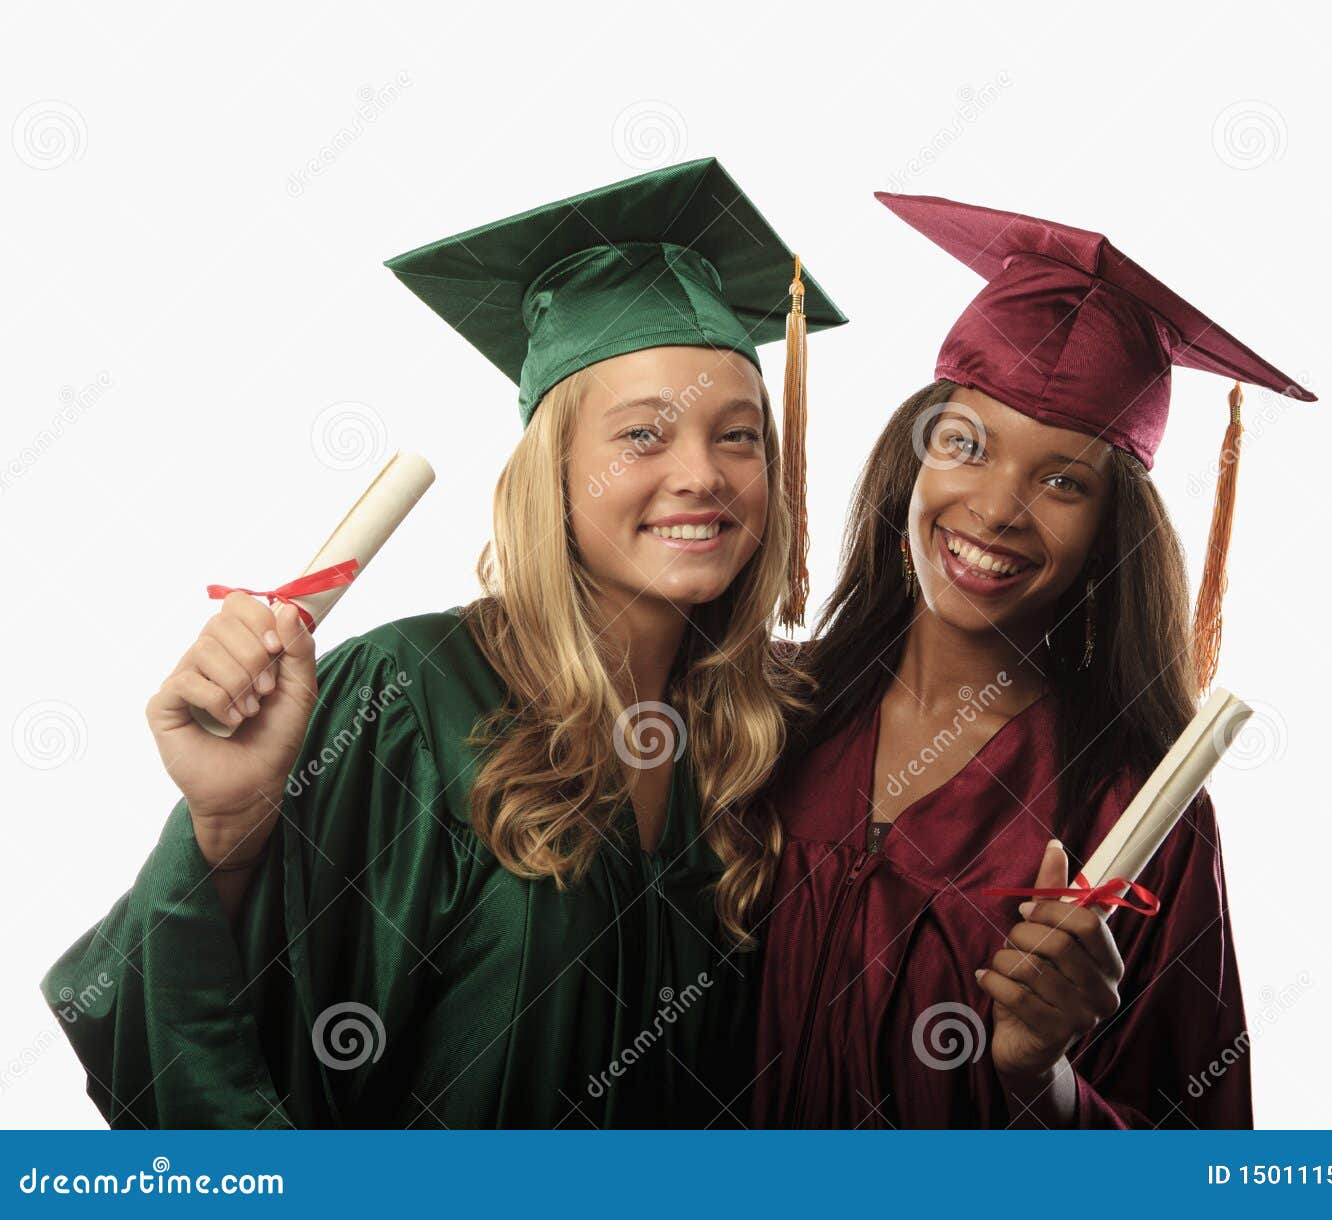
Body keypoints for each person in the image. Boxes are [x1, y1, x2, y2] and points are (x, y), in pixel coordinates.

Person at [40, 157, 846, 1129]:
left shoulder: (768, 727)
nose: (701, 474)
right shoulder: (408, 696)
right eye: (642, 435)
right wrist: (227, 826)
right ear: (554, 471)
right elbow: (180, 1020)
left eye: (741, 435)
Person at [753, 190, 1315, 1128]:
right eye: (965, 446)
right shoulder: (766, 713)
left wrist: (1037, 1075)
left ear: (1109, 537)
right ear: (912, 464)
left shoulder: (1138, 813)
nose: (998, 508)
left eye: (1062, 480)